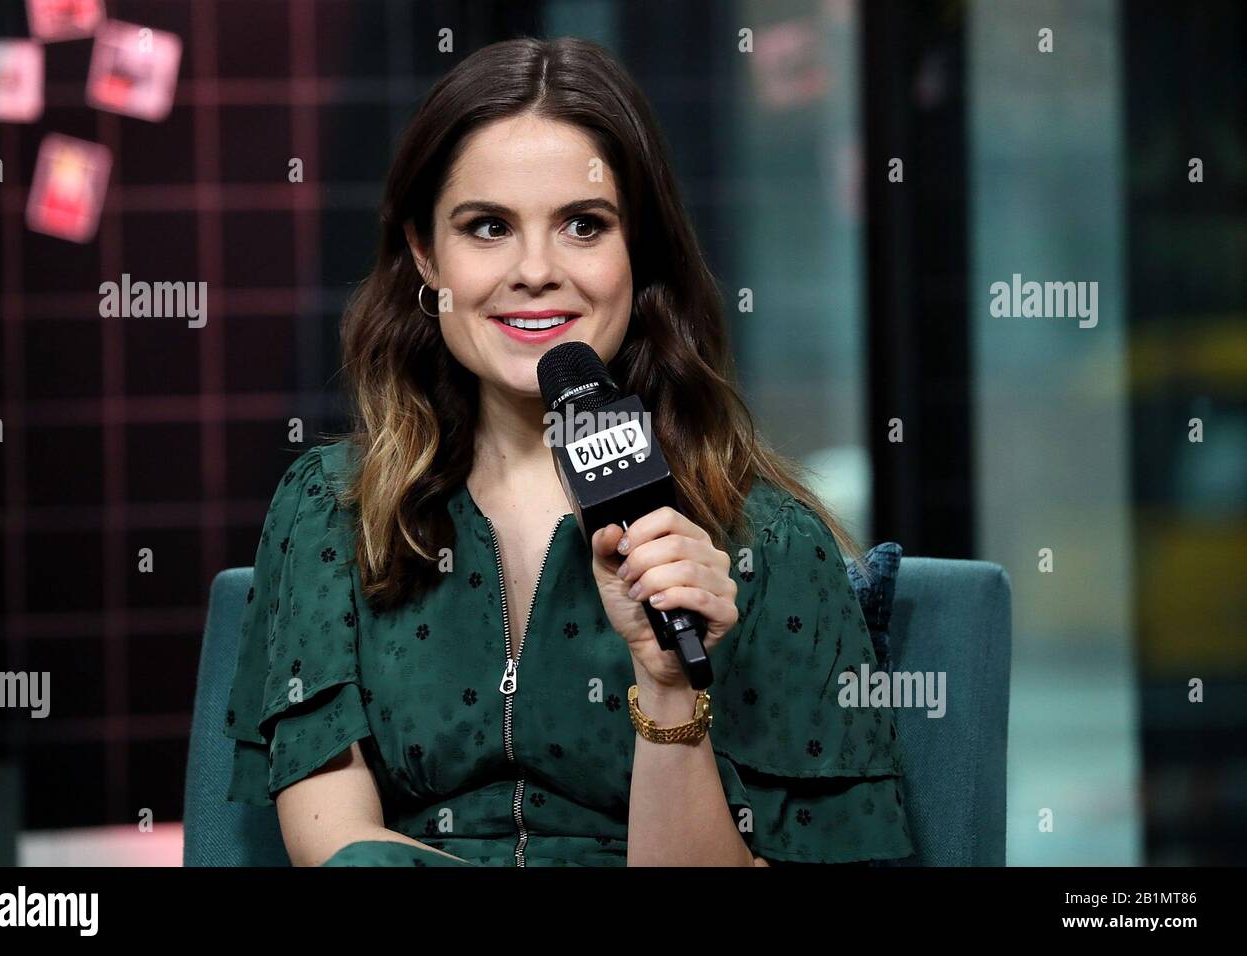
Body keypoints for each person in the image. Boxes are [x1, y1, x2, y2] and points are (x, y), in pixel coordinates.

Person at [223, 35, 914, 868]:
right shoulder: (326, 509)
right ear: (424, 253)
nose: (536, 271)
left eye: (584, 226)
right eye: (487, 228)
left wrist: (667, 690)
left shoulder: (767, 542)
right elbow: (334, 845)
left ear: (642, 250)